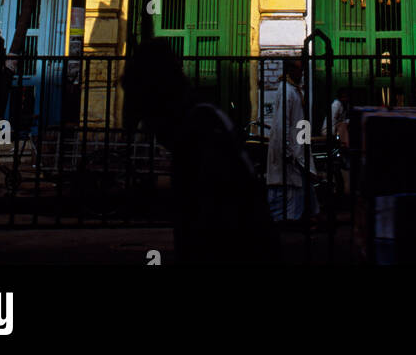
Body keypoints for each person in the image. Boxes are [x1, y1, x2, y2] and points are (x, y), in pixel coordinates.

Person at [121, 38, 280, 264]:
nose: (147, 127)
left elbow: (213, 228)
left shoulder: (199, 135)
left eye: (146, 112)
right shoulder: (201, 123)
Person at [266, 56, 317, 222]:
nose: (301, 72)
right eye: (298, 68)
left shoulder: (295, 90)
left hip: (298, 147)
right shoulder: (287, 91)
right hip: (291, 150)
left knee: (301, 184)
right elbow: (283, 124)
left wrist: (304, 145)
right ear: (290, 70)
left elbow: (301, 121)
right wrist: (287, 149)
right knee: (289, 187)